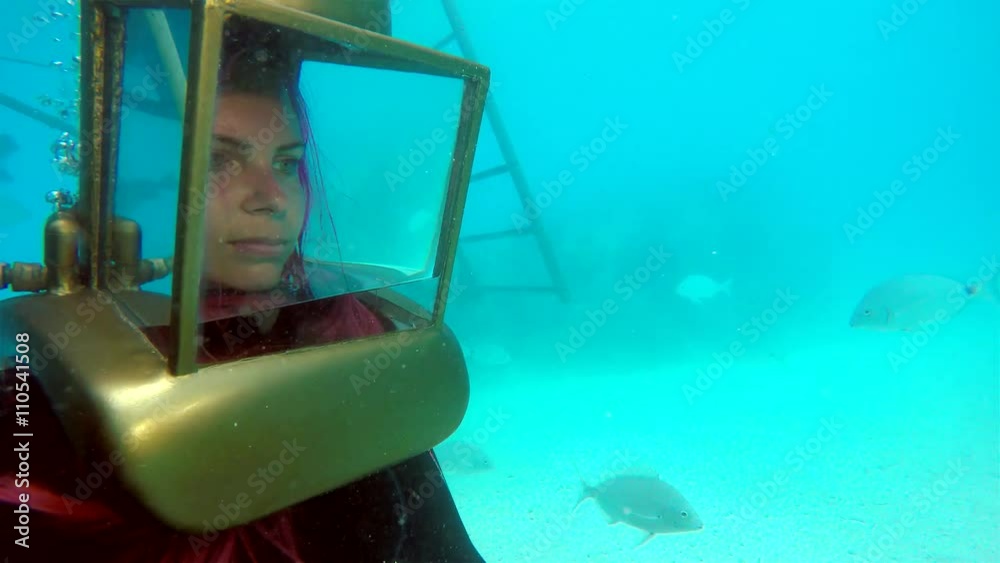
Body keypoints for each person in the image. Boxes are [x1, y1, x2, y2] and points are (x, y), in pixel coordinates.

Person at [0, 31, 485, 563]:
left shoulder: (349, 324)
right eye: (219, 161)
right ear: (143, 183)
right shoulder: (39, 388)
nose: (272, 198)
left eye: (286, 163)